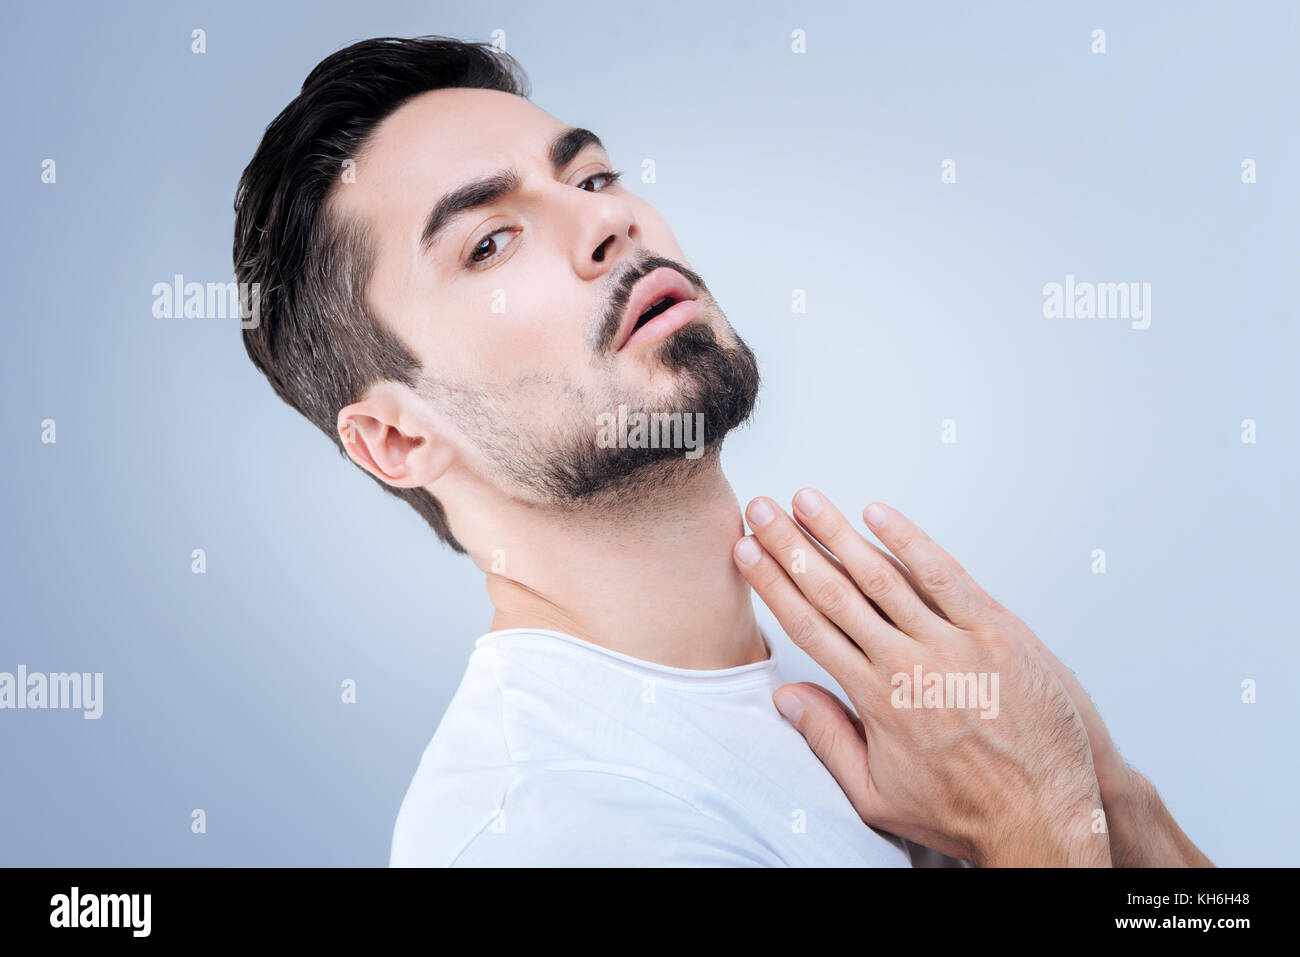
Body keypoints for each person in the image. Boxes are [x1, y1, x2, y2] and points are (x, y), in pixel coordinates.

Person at [233, 35, 1211, 867]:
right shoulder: (547, 828)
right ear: (399, 436)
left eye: (592, 176)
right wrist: (1032, 824)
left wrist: (1102, 790)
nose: (606, 221)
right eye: (491, 242)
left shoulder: (874, 673)